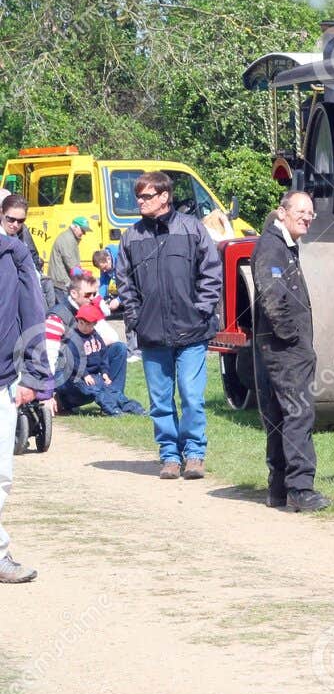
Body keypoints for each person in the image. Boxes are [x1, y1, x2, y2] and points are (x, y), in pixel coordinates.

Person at [115, 170, 222, 480]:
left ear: (164, 197)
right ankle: (170, 457)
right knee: (160, 401)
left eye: (145, 196)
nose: (139, 201)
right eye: (138, 196)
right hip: (153, 333)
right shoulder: (131, 237)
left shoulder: (192, 229)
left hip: (192, 331)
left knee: (191, 395)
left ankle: (195, 455)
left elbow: (211, 273)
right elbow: (125, 284)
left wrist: (201, 310)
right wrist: (135, 318)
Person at [251, 191, 330, 513]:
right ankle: (300, 489)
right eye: (301, 211)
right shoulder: (272, 247)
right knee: (298, 414)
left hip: (279, 348)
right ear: (281, 213)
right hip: (285, 350)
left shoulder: (282, 246)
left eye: (311, 212)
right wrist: (292, 338)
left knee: (280, 415)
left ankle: (279, 489)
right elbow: (272, 296)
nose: (308, 217)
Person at [1, 225, 52, 583]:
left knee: (0, 476)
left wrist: (35, 375)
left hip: (2, 380)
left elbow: (33, 313)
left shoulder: (13, 253)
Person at [52, 302, 142, 416]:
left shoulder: (95, 336)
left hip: (94, 376)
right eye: (81, 323)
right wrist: (85, 375)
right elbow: (73, 361)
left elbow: (103, 354)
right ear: (77, 320)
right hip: (76, 378)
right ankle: (113, 410)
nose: (84, 327)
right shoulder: (73, 338)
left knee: (110, 389)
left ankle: (134, 408)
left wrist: (104, 372)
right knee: (98, 391)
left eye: (88, 324)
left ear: (94, 324)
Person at [43, 271, 120, 376]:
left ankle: (111, 389)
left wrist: (96, 345)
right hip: (68, 372)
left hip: (90, 364)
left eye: (94, 294)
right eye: (88, 294)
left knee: (119, 348)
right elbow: (50, 355)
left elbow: (113, 337)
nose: (92, 298)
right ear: (74, 293)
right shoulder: (56, 317)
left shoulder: (90, 309)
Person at [1, 195, 49, 305]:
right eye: (11, 219)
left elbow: (33, 255)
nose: (15, 225)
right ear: (2, 213)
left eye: (20, 220)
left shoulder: (22, 235)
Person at [48, 216, 90, 302]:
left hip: (61, 282)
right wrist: (82, 280)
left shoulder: (69, 238)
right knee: (66, 311)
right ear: (75, 226)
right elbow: (72, 264)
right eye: (82, 230)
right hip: (61, 283)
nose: (84, 233)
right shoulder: (68, 239)